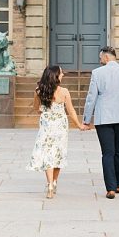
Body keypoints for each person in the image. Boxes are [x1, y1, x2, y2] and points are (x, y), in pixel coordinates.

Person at [82, 46, 119, 199]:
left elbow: (91, 98)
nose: (99, 60)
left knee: (107, 153)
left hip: (104, 118)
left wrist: (86, 120)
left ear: (106, 57)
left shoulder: (97, 73)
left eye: (100, 57)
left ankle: (110, 188)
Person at [28, 64, 87, 199]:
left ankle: (49, 185)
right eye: (61, 73)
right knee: (59, 154)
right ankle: (54, 182)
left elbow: (36, 108)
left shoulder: (38, 90)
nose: (63, 75)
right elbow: (71, 111)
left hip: (46, 125)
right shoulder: (64, 91)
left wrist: (45, 112)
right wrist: (79, 125)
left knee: (48, 154)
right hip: (60, 125)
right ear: (55, 76)